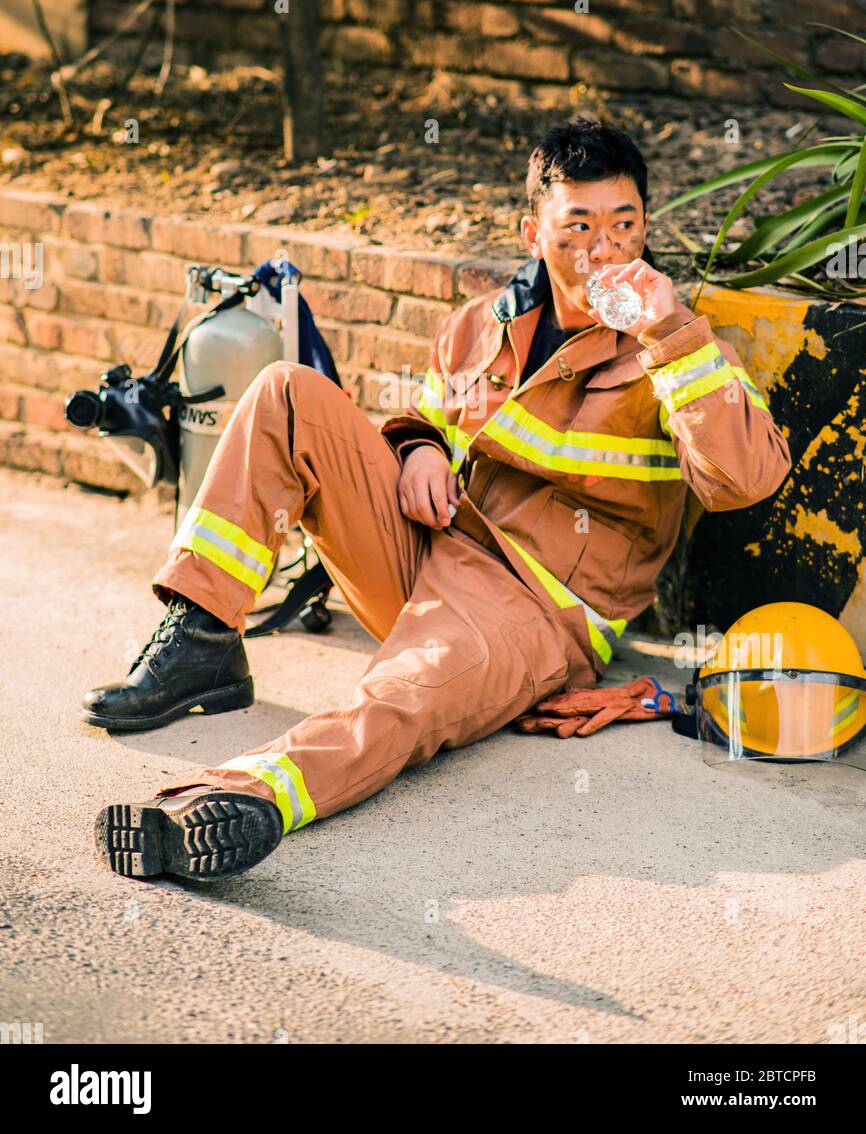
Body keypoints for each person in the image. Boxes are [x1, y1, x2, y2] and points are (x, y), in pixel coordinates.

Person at [89, 119, 792, 882]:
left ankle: (236, 797)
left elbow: (744, 480)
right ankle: (202, 639)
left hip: (534, 610)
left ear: (645, 228)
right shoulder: (478, 327)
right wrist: (418, 449)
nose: (603, 250)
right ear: (534, 233)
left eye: (625, 226)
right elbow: (429, 418)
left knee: (406, 695)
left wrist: (668, 331)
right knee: (286, 392)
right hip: (431, 546)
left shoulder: (676, 341)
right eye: (578, 227)